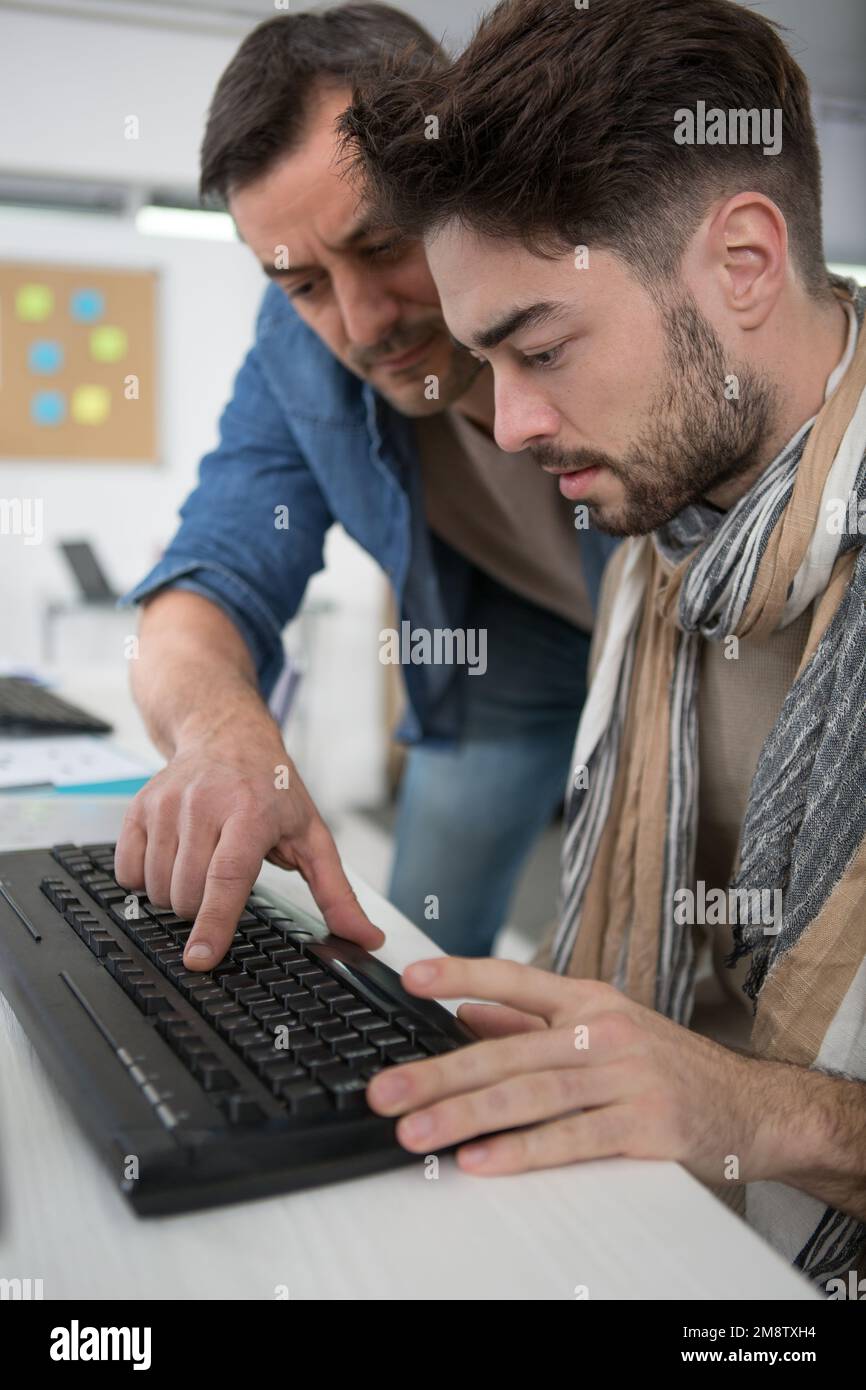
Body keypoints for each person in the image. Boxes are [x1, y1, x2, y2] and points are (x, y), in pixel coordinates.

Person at [341, 0, 866, 1286]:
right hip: (657, 1231)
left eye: (542, 347)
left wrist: (751, 1110)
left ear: (742, 263)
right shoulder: (657, 550)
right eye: (484, 361)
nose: (509, 425)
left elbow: (736, 1092)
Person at [115, 4, 616, 963]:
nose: (362, 321)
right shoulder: (296, 357)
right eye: (300, 281)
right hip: (501, 654)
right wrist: (222, 733)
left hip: (694, 642)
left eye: (383, 245)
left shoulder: (599, 255)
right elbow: (209, 575)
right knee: (409, 949)